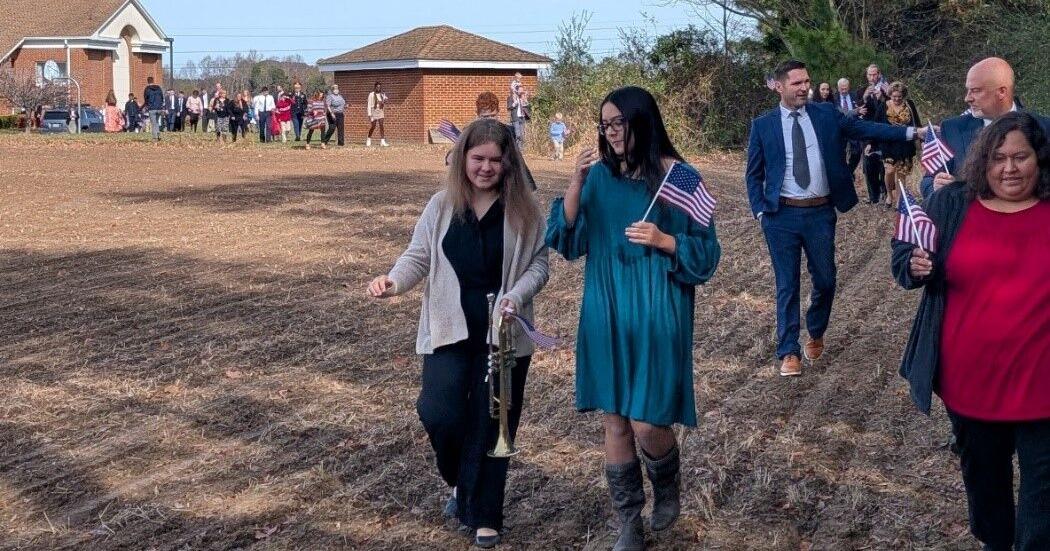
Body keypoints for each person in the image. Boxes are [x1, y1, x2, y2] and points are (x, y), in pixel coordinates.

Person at [547, 86, 721, 551]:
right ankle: (629, 522)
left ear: (642, 122)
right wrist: (574, 185)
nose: (611, 132)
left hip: (657, 307)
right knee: (617, 421)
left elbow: (708, 253)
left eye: (619, 122)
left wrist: (666, 241)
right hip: (605, 308)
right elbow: (565, 240)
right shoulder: (598, 178)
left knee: (647, 422)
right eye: (605, 124)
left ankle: (667, 485)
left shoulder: (677, 178)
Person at [368, 118, 548, 549]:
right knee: (439, 413)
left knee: (492, 424)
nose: (486, 168)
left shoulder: (525, 210)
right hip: (447, 329)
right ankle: (460, 482)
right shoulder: (441, 205)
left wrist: (516, 296)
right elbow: (418, 257)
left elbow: (539, 265)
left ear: (509, 164)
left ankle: (486, 516)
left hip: (502, 336)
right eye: (478, 158)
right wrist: (393, 282)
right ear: (462, 157)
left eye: (496, 161)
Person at [892, 112, 1050, 551]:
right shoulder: (952, 203)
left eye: (1022, 156)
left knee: (1044, 508)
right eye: (999, 157)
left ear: (1041, 158)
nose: (1010, 168)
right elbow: (905, 254)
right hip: (971, 385)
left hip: (1043, 387)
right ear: (983, 161)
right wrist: (913, 264)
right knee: (988, 499)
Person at [746, 59, 928, 376]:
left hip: (819, 212)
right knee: (786, 283)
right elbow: (753, 174)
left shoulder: (826, 114)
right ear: (779, 86)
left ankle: (815, 330)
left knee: (826, 279)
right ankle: (788, 351)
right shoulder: (763, 125)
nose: (805, 87)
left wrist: (912, 131)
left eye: (807, 81)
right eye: (797, 83)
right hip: (781, 216)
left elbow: (867, 127)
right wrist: (761, 211)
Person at [920, 57, 1050, 200]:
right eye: (968, 91)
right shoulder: (952, 129)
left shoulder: (1044, 128)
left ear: (1001, 92)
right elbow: (927, 181)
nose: (967, 98)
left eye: (975, 91)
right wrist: (936, 186)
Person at [874, 81, 921, 208]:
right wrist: (871, 143)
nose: (897, 99)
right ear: (890, 95)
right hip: (888, 144)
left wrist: (919, 138)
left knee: (901, 173)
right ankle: (889, 195)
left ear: (903, 95)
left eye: (899, 96)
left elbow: (916, 123)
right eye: (894, 96)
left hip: (905, 144)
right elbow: (875, 125)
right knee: (889, 171)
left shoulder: (909, 105)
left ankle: (900, 200)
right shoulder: (883, 106)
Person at [861, 64, 890, 203]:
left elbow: (890, 110)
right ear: (866, 76)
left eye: (875, 74)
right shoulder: (862, 90)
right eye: (870, 75)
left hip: (883, 131)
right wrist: (865, 97)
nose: (872, 77)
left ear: (879, 74)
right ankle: (873, 195)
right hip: (867, 131)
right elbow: (859, 111)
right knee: (869, 165)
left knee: (883, 164)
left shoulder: (886, 89)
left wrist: (882, 98)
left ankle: (886, 192)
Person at [834, 78, 865, 178]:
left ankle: (849, 170)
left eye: (846, 88)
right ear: (838, 88)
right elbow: (841, 113)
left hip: (853, 127)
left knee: (857, 152)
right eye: (842, 89)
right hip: (840, 129)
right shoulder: (834, 99)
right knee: (840, 152)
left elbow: (862, 107)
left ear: (849, 87)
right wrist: (856, 111)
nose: (844, 91)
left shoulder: (855, 96)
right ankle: (843, 173)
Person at [366, 82, 389, 147]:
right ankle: (368, 138)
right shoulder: (371, 94)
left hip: (380, 110)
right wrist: (369, 114)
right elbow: (369, 105)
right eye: (377, 87)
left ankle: (382, 141)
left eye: (379, 87)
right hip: (374, 110)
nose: (378, 88)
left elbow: (386, 100)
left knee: (381, 125)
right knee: (373, 126)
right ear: (375, 87)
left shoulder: (382, 94)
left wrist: (385, 100)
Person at [143, 76, 165, 141]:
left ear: (148, 81)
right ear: (153, 81)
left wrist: (147, 105)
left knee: (153, 123)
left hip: (152, 108)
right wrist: (161, 105)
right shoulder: (159, 88)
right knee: (157, 122)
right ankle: (158, 135)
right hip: (159, 108)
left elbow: (146, 98)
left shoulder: (147, 89)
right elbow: (162, 97)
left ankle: (155, 137)